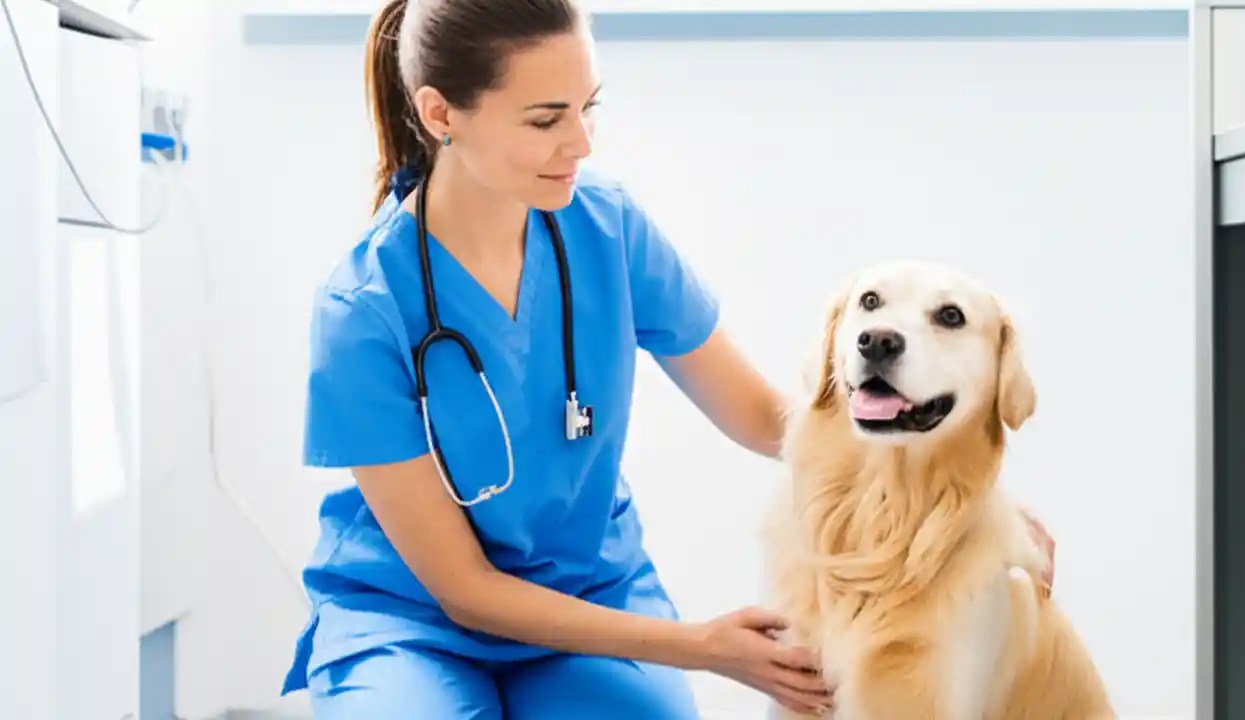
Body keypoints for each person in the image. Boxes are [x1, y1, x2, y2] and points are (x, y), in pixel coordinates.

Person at [281, 0, 1055, 717]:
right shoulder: (363, 309)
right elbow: (466, 591)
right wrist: (705, 648)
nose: (581, 144)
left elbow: (761, 417)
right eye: (547, 119)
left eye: (589, 109)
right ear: (441, 113)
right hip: (415, 617)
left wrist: (966, 507)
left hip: (591, 587)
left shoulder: (605, 227)